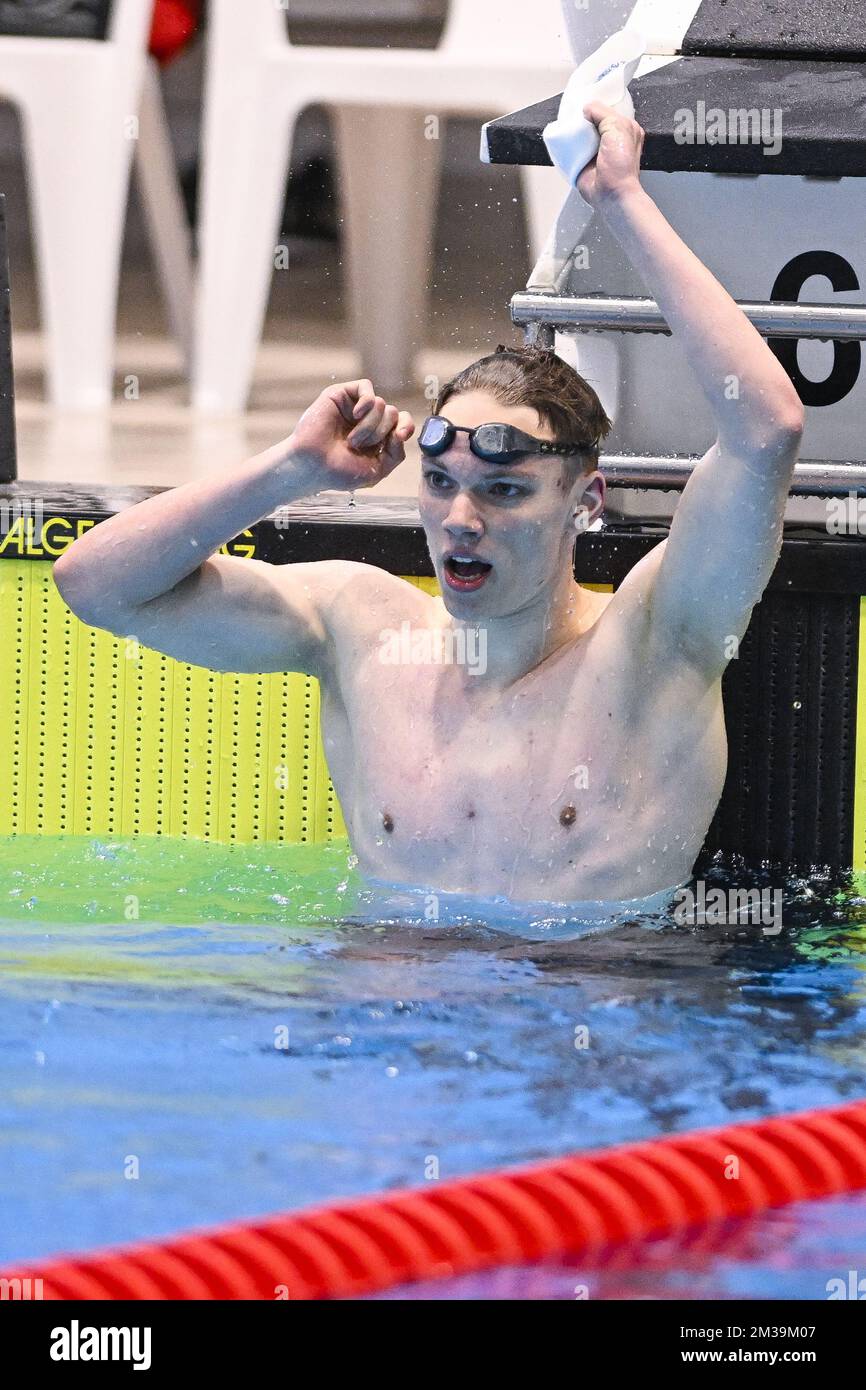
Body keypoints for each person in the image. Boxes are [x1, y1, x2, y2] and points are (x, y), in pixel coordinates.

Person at [54, 103, 804, 907]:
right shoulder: (362, 627)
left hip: (580, 1011)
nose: (461, 519)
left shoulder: (659, 638)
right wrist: (288, 471)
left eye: (504, 491)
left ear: (584, 500)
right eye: (440, 483)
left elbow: (767, 428)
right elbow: (94, 585)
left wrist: (619, 200)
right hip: (381, 1014)